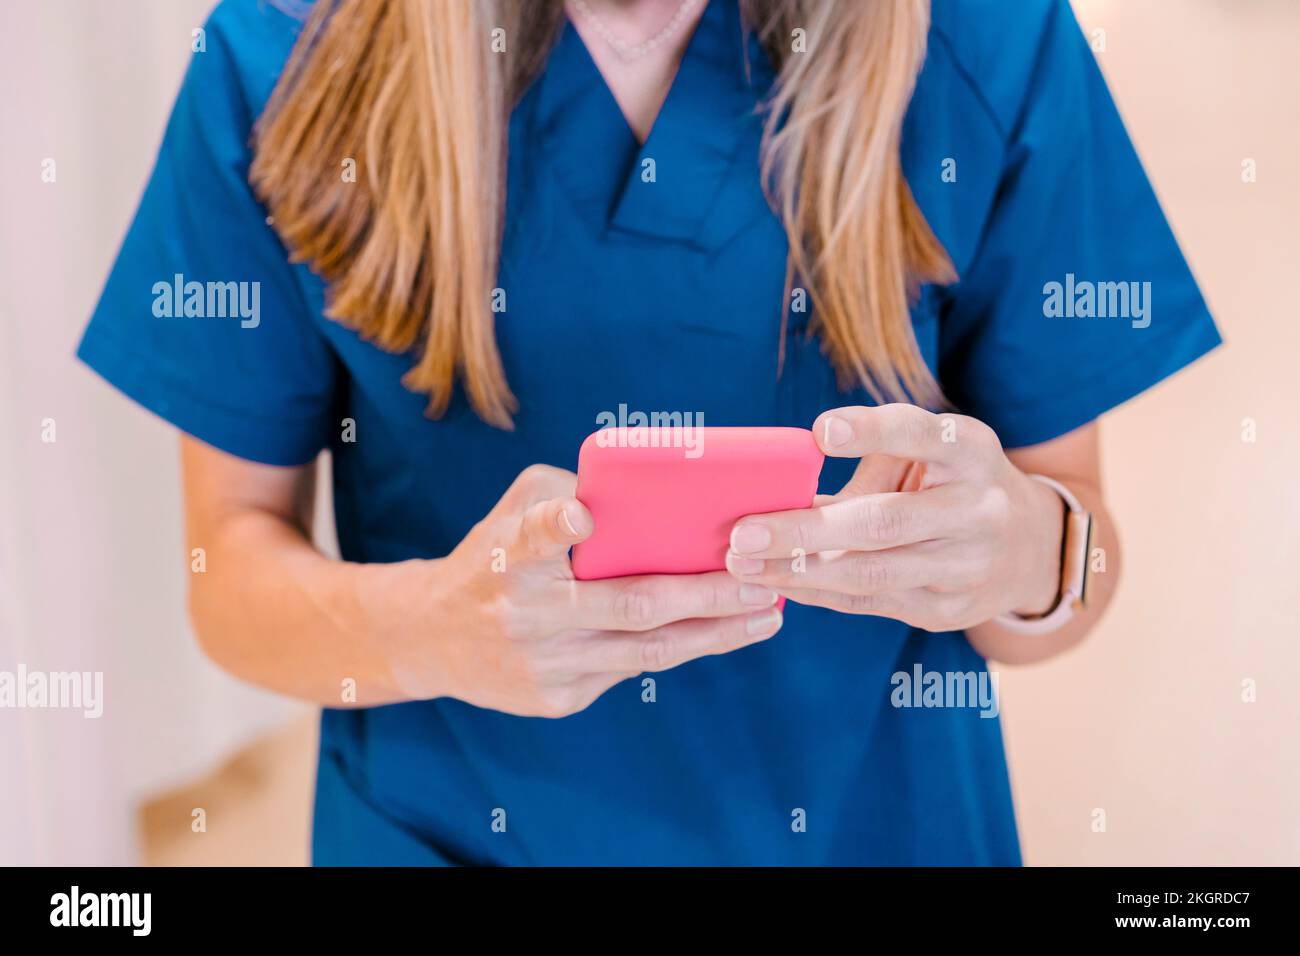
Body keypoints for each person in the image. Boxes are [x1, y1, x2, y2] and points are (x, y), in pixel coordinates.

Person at [78, 0, 1220, 864]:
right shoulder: (281, 54)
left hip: (884, 824)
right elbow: (224, 570)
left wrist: (1023, 547)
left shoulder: (984, 37)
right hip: (452, 831)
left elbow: (1069, 580)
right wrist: (434, 627)